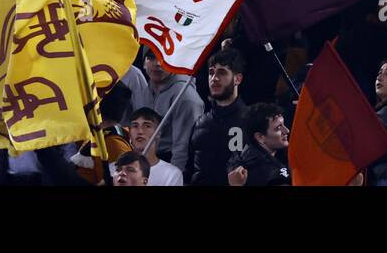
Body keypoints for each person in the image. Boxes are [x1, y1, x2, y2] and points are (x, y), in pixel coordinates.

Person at [121, 48, 204, 171]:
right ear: (144, 63)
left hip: (171, 164)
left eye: (164, 57)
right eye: (151, 57)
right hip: (147, 162)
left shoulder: (185, 97)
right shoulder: (147, 89)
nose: (158, 63)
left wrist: (174, 177)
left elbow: (182, 149)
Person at [187, 48, 248, 185]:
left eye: (222, 72)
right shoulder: (201, 123)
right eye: (211, 73)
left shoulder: (251, 121)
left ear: (237, 79)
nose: (214, 78)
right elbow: (190, 168)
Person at [226, 103, 291, 186]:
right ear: (260, 137)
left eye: (283, 125)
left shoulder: (239, 160)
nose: (286, 130)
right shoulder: (271, 176)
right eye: (278, 128)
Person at [125, 108, 186, 186]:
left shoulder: (172, 174)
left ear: (158, 134)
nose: (140, 131)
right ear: (129, 132)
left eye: (147, 126)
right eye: (135, 126)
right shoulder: (115, 170)